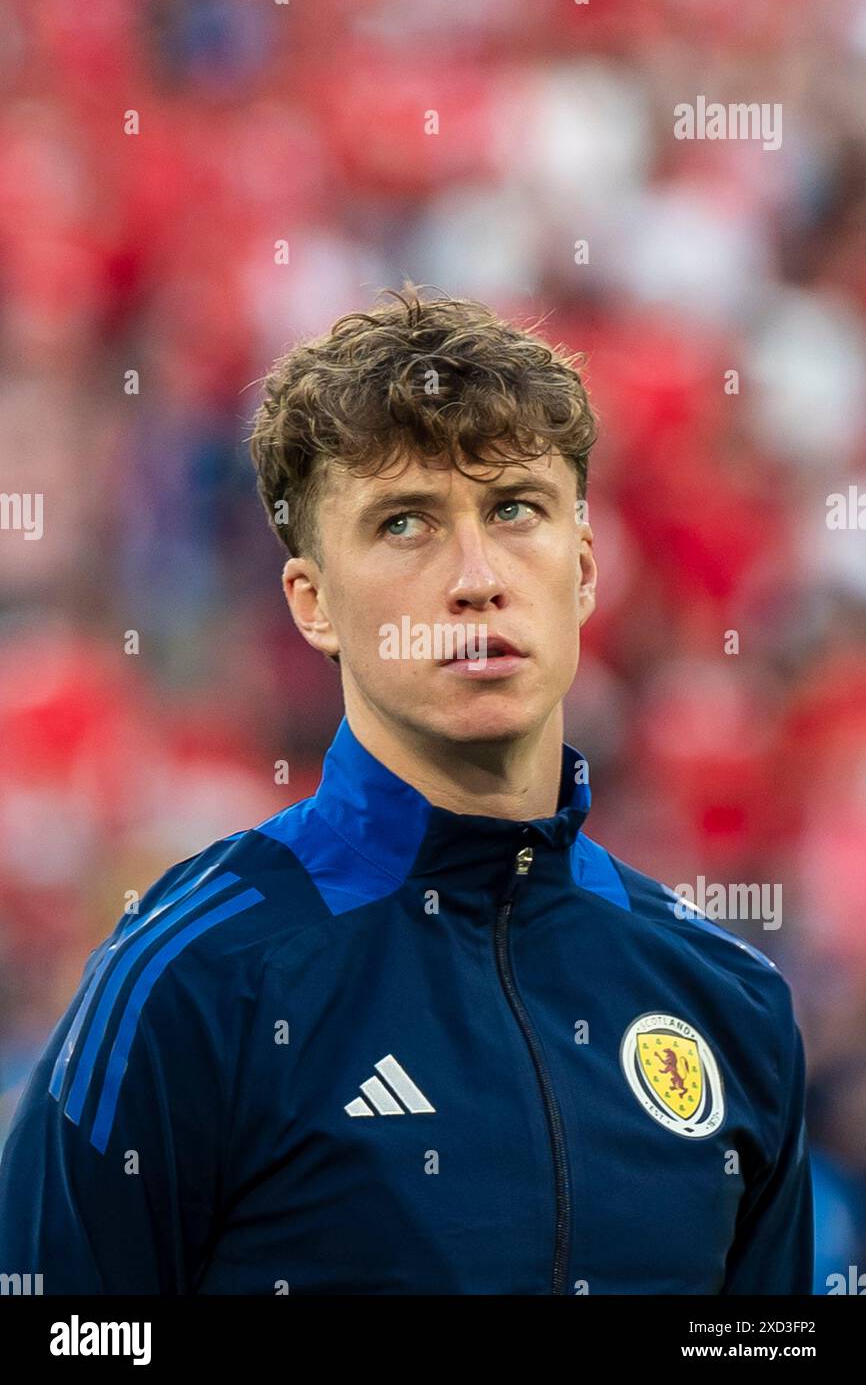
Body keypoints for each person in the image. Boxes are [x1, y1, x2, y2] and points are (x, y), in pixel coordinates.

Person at [0, 284, 813, 1294]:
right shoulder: (193, 978)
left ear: (586, 568)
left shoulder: (725, 999)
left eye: (515, 509)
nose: (476, 575)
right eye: (404, 524)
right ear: (312, 602)